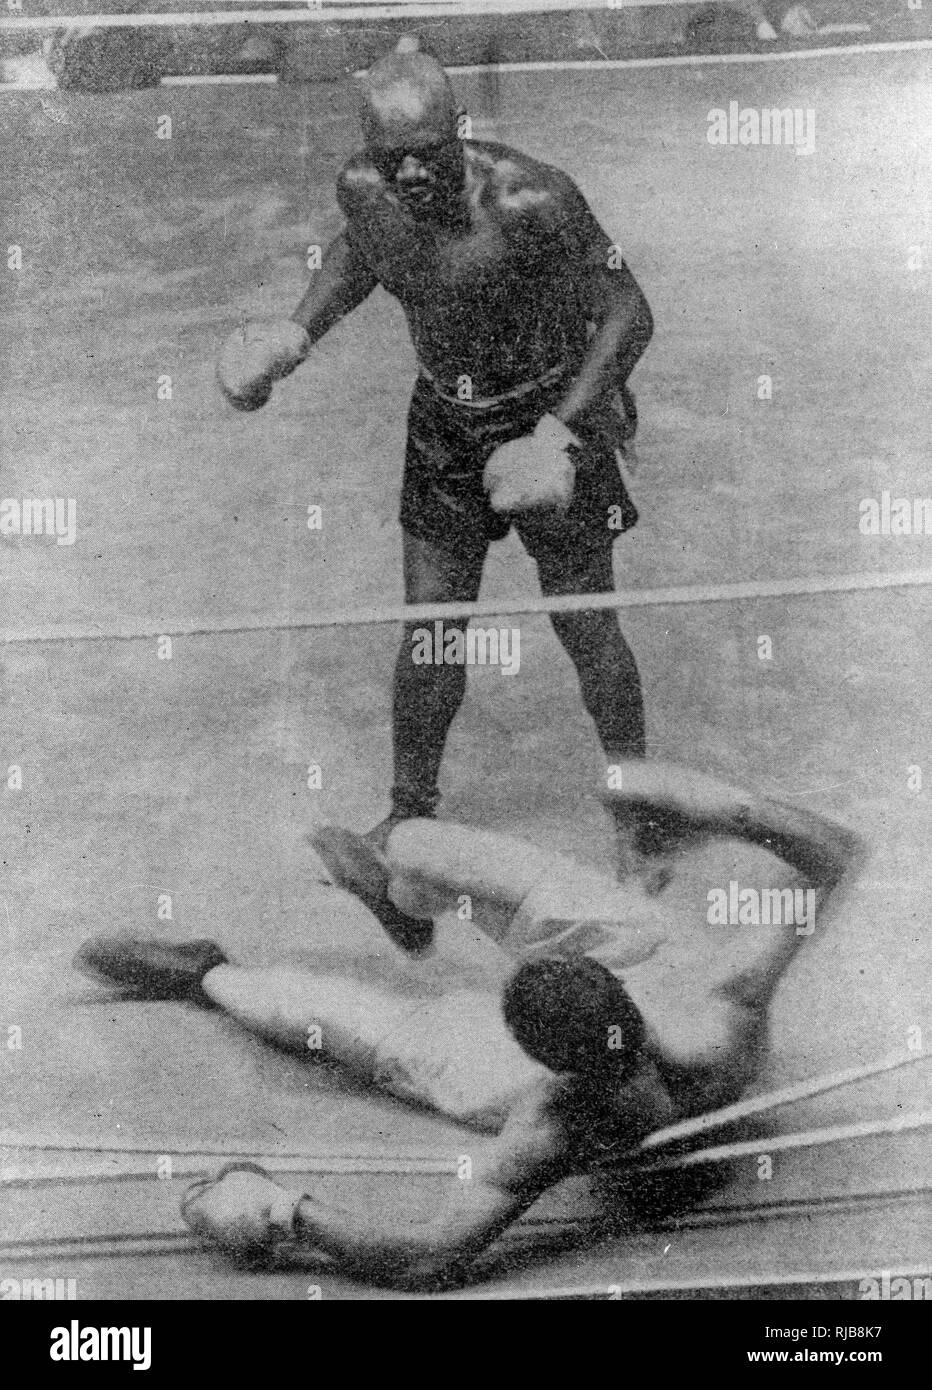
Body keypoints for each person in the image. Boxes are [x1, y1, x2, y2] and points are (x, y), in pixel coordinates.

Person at [74, 759, 861, 1288]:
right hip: (636, 972)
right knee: (414, 848)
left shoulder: (554, 1118)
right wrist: (715, 807)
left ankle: (205, 971)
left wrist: (281, 1211)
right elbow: (833, 853)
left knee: (360, 1027)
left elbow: (429, 1257)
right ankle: (397, 897)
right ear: (614, 988)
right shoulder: (720, 1004)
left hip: (531, 1054)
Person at [217, 36, 654, 856]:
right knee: (431, 627)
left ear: (459, 127)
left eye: (426, 156)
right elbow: (367, 249)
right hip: (445, 427)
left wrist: (559, 435)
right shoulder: (364, 188)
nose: (410, 177)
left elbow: (629, 309)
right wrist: (295, 330)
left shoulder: (532, 198)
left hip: (547, 410)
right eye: (393, 161)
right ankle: (410, 814)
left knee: (587, 625)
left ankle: (645, 810)